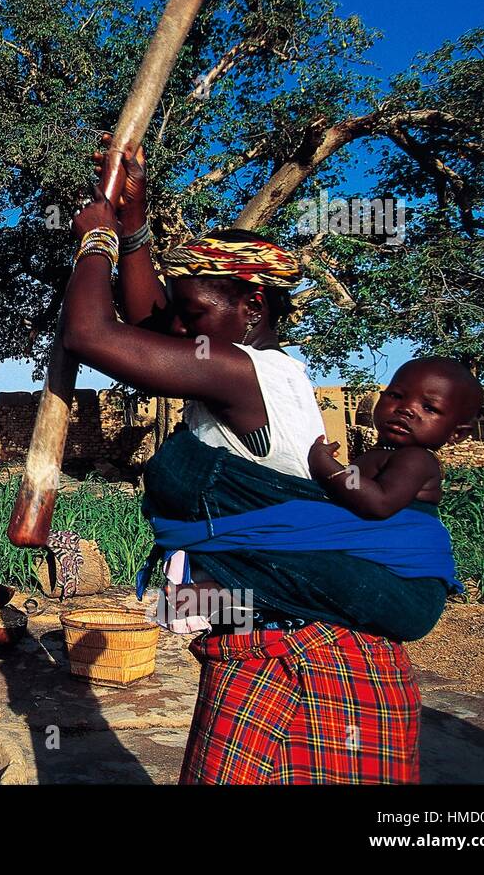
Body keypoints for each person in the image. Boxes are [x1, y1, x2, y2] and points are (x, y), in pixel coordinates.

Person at [60, 141, 432, 783]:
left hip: (314, 652)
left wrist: (93, 245)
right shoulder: (254, 369)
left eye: (196, 315)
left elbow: (92, 335)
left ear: (253, 308)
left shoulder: (242, 374)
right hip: (268, 642)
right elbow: (153, 319)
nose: (180, 331)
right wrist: (132, 224)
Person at [309, 357, 483, 518]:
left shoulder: (416, 459)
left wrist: (327, 467)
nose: (406, 409)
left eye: (429, 408)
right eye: (396, 396)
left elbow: (379, 503)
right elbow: (352, 488)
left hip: (396, 545)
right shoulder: (381, 453)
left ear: (457, 433)